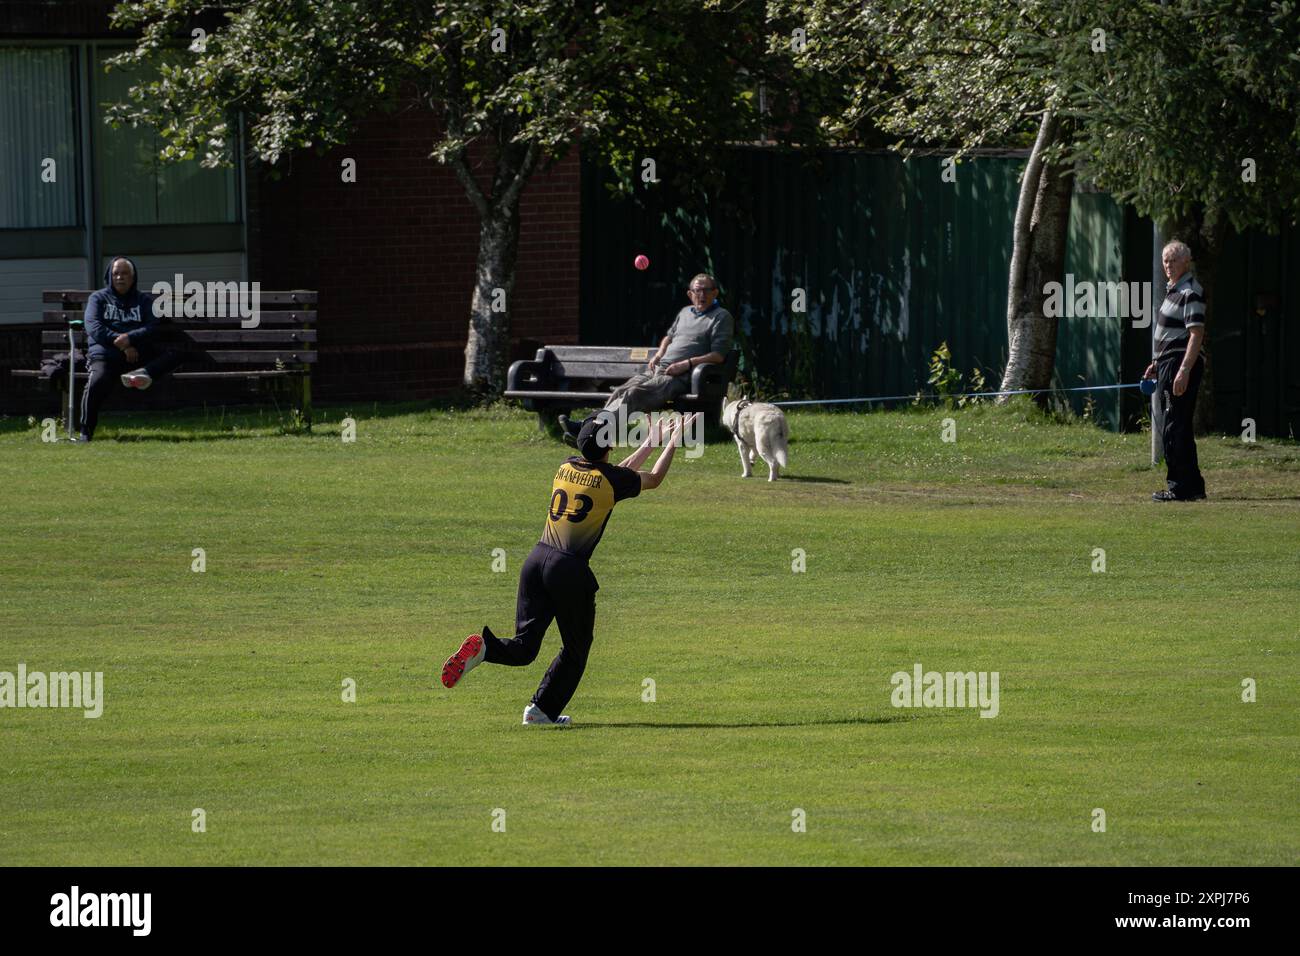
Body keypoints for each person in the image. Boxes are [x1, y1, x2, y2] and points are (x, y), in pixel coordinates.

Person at [441, 410, 699, 726]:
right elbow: (652, 479)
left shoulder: (566, 467)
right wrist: (672, 440)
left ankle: (485, 649)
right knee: (576, 650)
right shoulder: (610, 480)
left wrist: (650, 441)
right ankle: (540, 712)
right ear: (607, 447)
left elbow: (618, 472)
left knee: (524, 648)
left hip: (536, 561)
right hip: (569, 570)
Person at [558, 273, 733, 441]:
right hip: (658, 369)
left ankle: (590, 433)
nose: (702, 294)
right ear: (690, 294)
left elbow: (718, 355)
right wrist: (659, 353)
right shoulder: (685, 312)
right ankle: (589, 430)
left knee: (634, 394)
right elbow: (669, 337)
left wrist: (687, 364)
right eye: (697, 290)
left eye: (706, 290)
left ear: (715, 292)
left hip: (681, 376)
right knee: (621, 390)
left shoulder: (721, 317)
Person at [78, 256, 201, 441]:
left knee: (176, 354)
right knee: (97, 382)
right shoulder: (98, 298)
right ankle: (86, 433)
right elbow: (93, 327)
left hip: (137, 356)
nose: (120, 277)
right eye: (116, 274)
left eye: (125, 273)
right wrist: (122, 344)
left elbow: (152, 326)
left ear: (133, 277)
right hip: (106, 356)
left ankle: (144, 373)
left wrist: (130, 339)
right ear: (109, 277)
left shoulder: (143, 300)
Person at [1142, 240, 1207, 502]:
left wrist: (1183, 371)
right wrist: (1157, 363)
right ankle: (1193, 486)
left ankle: (1180, 487)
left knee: (1173, 426)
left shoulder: (1190, 292)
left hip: (1181, 364)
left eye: (1173, 260)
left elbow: (1196, 334)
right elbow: (1170, 334)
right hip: (1168, 363)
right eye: (1165, 260)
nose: (1168, 265)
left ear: (1186, 262)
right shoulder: (1174, 291)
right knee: (1179, 425)